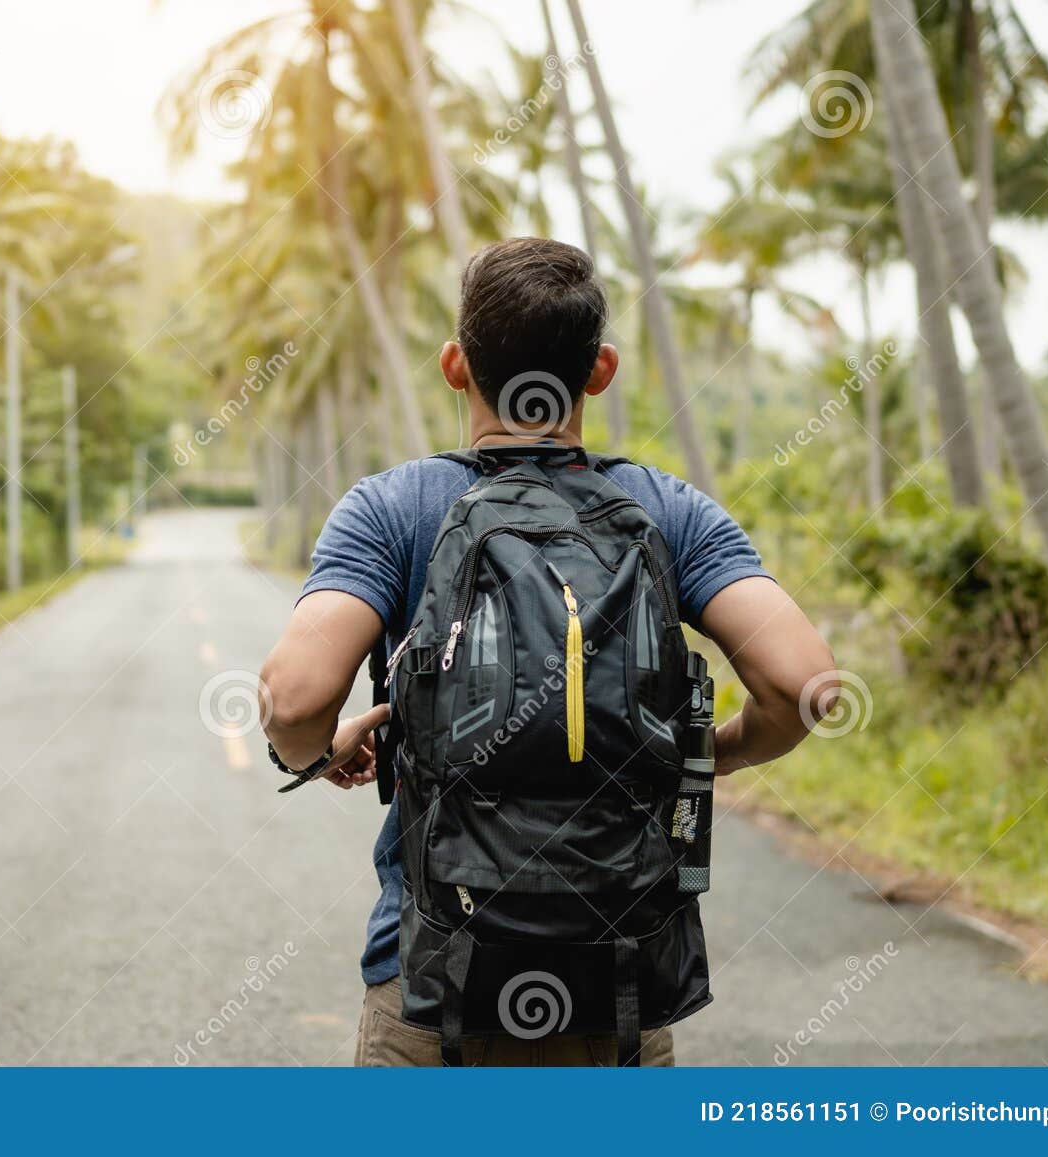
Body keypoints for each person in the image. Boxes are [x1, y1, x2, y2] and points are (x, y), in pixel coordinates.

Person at [259, 237, 838, 1066]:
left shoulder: (391, 508)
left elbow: (292, 700)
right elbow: (809, 685)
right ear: (598, 371)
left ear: (456, 365)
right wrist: (705, 756)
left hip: (434, 982)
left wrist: (320, 751)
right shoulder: (665, 511)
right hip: (617, 984)